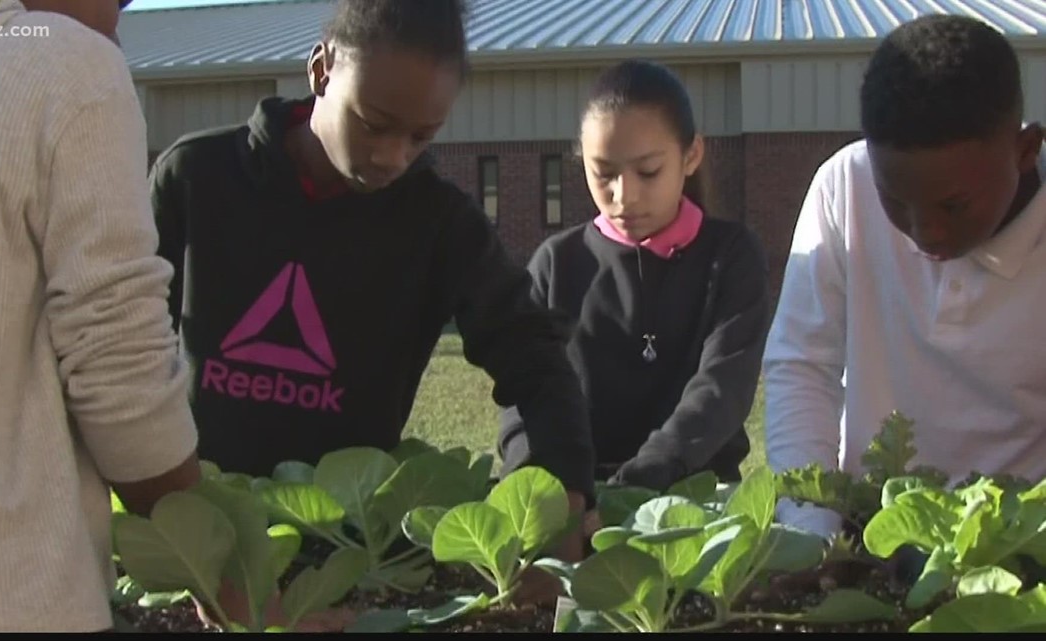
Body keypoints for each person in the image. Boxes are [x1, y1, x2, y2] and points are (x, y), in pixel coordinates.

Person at [148, 0, 595, 585]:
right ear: (322, 69)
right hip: (198, 539)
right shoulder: (198, 178)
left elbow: (533, 358)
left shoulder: (440, 223)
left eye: (420, 136)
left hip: (348, 553)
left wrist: (557, 496)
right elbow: (120, 345)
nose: (392, 156)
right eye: (373, 123)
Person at [0, 0, 203, 632]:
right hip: (0, 591)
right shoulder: (64, 65)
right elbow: (117, 362)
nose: (119, 21)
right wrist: (214, 562)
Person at [763, 13, 1046, 541]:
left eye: (954, 206)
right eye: (895, 201)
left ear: (1024, 150)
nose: (924, 232)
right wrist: (809, 531)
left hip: (1020, 545)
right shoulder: (843, 185)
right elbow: (801, 366)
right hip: (865, 534)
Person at [500, 60, 770, 503]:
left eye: (648, 172)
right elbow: (523, 398)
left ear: (691, 155)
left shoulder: (731, 256)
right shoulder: (556, 264)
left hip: (698, 497)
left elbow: (723, 389)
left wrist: (640, 483)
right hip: (574, 500)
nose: (624, 196)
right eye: (603, 173)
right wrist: (542, 492)